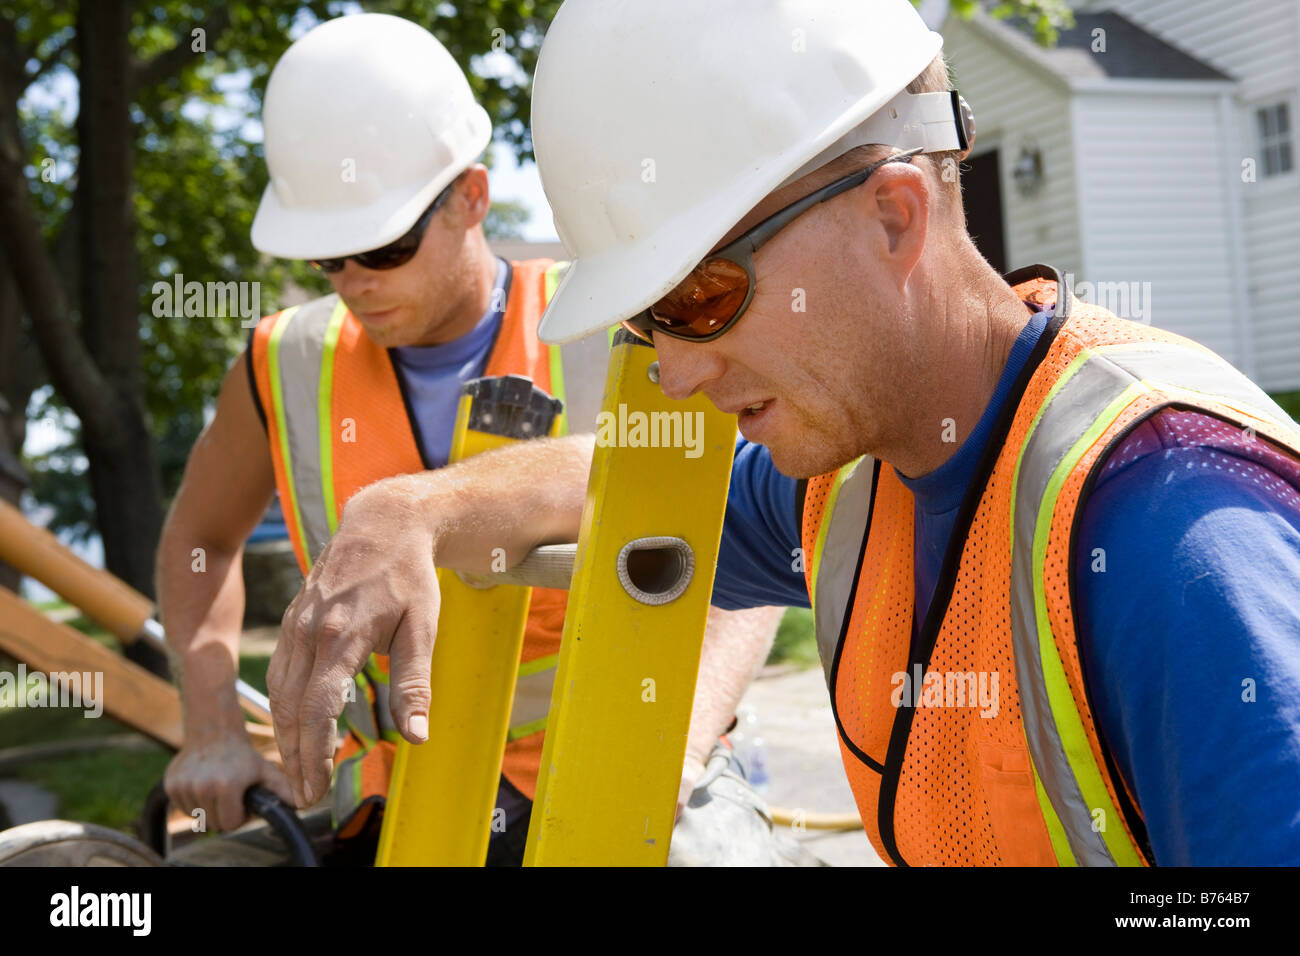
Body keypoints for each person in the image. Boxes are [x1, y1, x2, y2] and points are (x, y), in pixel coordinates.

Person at [267, 0, 1300, 866]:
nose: (670, 371)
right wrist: (406, 507)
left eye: (704, 298)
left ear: (893, 214)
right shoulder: (850, 480)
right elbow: (619, 481)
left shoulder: (1172, 528)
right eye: (645, 321)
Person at [156, 12, 785, 866]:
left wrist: (675, 744)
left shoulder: (621, 325)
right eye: (328, 261)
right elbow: (200, 539)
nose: (355, 285)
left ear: (472, 199)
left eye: (383, 247)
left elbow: (740, 523)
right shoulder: (285, 364)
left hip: (621, 763)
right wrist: (211, 726)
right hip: (396, 794)